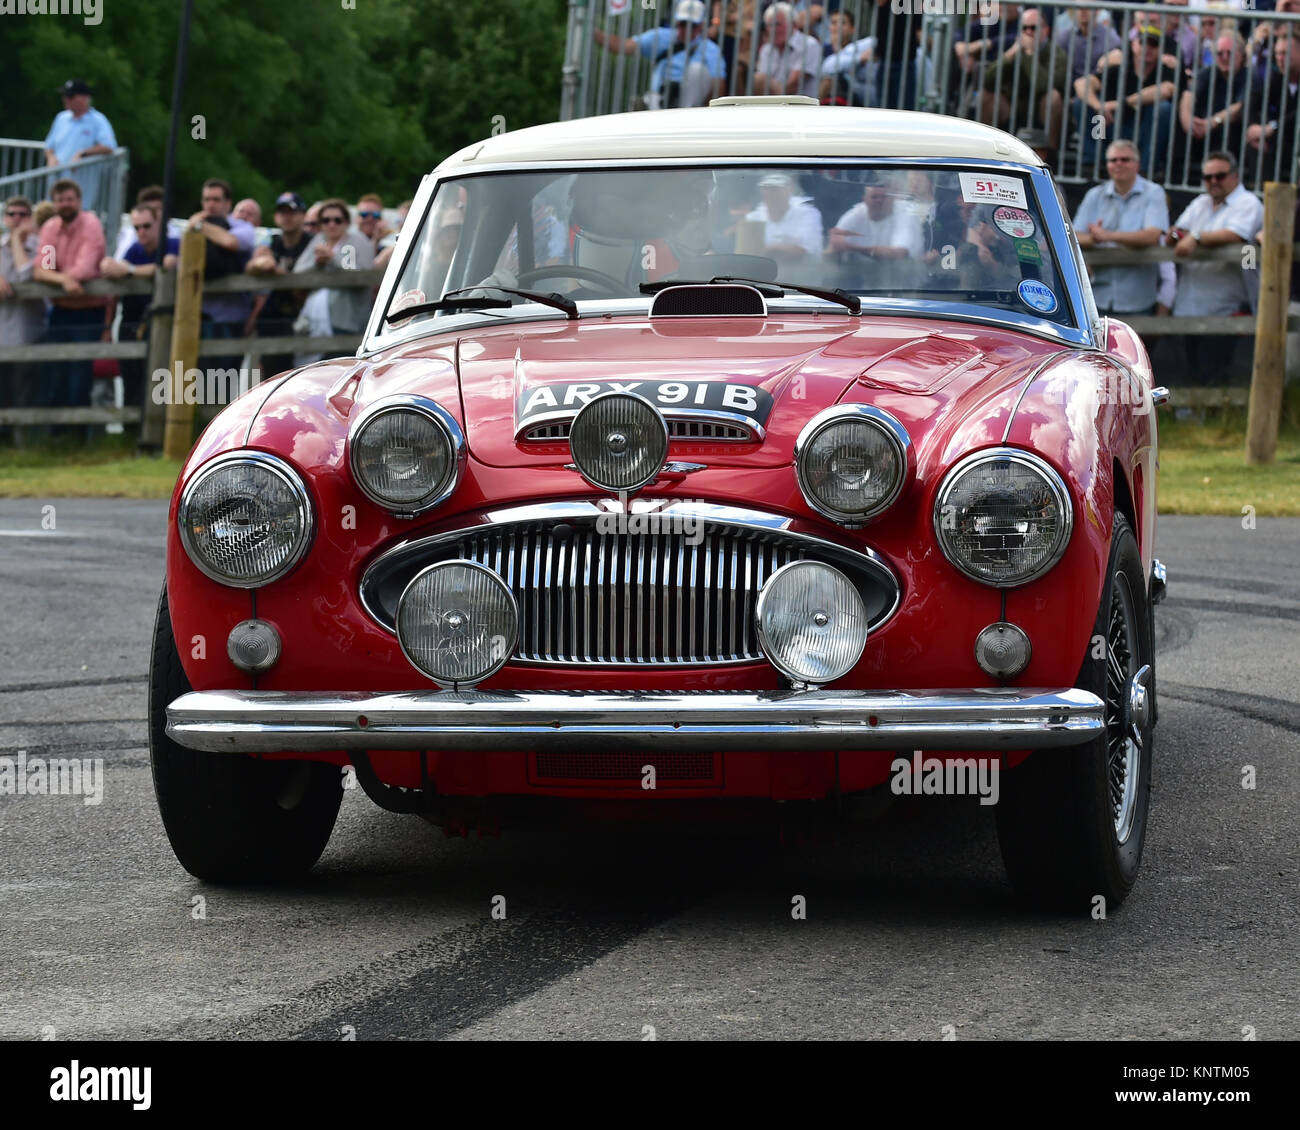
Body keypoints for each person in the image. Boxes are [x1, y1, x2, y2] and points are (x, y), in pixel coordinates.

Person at [1168, 151, 1263, 384]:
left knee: (1213, 372)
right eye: (1207, 177)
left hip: (1226, 306)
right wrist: (1175, 235)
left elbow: (1236, 234)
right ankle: (1196, 416)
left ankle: (1214, 417)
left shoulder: (1248, 203)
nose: (1213, 182)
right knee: (1192, 370)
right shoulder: (1201, 202)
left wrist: (1196, 237)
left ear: (1235, 176)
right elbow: (1177, 230)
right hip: (1190, 303)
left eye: (1219, 176)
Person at [32, 179, 108, 423]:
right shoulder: (51, 228)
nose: (65, 204)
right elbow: (42, 268)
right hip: (61, 310)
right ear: (54, 203)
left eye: (69, 199)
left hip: (89, 310)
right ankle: (56, 434)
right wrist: (64, 280)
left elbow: (86, 267)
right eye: (60, 200)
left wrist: (58, 278)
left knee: (79, 373)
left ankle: (78, 434)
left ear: (79, 201)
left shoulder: (90, 224)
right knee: (54, 370)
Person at [1072, 139, 1170, 317]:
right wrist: (1094, 239)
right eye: (1113, 160)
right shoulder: (1094, 194)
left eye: (1125, 159)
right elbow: (1074, 235)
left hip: (1137, 298)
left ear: (1137, 164)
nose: (1118, 164)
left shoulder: (1154, 192)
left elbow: (1152, 236)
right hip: (1096, 297)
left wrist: (1107, 236)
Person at [99, 203, 179, 415]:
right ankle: (129, 429)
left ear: (158, 225)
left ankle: (152, 430)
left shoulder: (172, 244)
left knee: (157, 379)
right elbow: (115, 272)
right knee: (131, 377)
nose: (141, 232)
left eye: (146, 226)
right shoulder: (134, 249)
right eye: (137, 227)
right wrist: (111, 267)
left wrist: (129, 270)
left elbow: (167, 265)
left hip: (161, 325)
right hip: (132, 323)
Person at [1076, 27, 1179, 173]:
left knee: (1163, 109)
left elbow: (1166, 90)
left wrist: (1121, 104)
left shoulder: (1165, 70)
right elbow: (1081, 83)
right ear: (1133, 45)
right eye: (1143, 43)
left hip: (1144, 133)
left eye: (1153, 45)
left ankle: (1145, 169)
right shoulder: (1119, 69)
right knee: (1083, 104)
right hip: (1108, 128)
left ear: (1160, 49)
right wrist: (1098, 105)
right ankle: (1093, 163)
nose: (1147, 49)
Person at [594, 0, 726, 109]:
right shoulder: (661, 37)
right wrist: (593, 31)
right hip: (660, 99)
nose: (686, 29)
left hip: (692, 106)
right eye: (682, 24)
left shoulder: (711, 50)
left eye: (692, 25)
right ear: (676, 21)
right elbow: (624, 46)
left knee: (697, 70)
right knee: (650, 99)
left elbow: (719, 88)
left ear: (702, 26)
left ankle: (685, 115)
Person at [292, 198, 375, 365]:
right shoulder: (318, 241)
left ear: (346, 222)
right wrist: (317, 263)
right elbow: (297, 273)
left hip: (346, 325)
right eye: (326, 220)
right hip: (312, 325)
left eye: (337, 220)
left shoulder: (357, 242)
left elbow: (362, 277)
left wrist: (333, 259)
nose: (332, 224)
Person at [246, 192, 313, 376]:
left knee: (304, 377)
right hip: (274, 319)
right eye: (282, 212)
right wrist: (260, 263)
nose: (287, 217)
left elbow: (307, 284)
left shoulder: (312, 244)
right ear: (276, 216)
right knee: (272, 377)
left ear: (302, 215)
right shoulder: (272, 243)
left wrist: (276, 272)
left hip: (305, 320)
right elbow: (254, 266)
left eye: (292, 212)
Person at [980, 10, 1069, 150]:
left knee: (1053, 98)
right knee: (986, 96)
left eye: (1033, 28)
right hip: (1013, 108)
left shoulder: (1056, 53)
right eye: (1024, 28)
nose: (1028, 32)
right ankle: (985, 151)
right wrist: (1009, 56)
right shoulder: (1014, 49)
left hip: (1041, 112)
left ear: (1045, 30)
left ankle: (1050, 159)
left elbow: (1043, 85)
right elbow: (987, 80)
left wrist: (1029, 54)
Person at [189, 178, 257, 346]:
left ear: (228, 203)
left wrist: (198, 226)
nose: (211, 204)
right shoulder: (192, 226)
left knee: (226, 372)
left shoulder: (243, 227)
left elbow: (230, 242)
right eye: (207, 199)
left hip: (231, 317)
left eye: (216, 199)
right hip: (198, 316)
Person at [0, 196, 45, 430]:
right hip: (2, 335)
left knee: (26, 395)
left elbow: (28, 276)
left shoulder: (46, 247)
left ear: (32, 218)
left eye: (23, 214)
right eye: (11, 214)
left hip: (32, 334)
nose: (17, 219)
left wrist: (18, 241)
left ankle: (28, 446)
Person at [1177, 32, 1247, 179]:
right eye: (1220, 53)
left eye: (1230, 53)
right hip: (1202, 128)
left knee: (1228, 131)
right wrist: (1187, 118)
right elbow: (1188, 95)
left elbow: (1240, 107)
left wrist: (1213, 122)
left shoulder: (1248, 76)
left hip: (1230, 130)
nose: (1225, 58)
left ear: (1241, 55)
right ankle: (1174, 176)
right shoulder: (1208, 72)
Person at [43, 79, 117, 213]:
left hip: (82, 190)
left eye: (70, 96)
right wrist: (51, 158)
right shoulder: (61, 118)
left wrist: (83, 154)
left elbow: (108, 146)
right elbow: (49, 146)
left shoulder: (98, 120)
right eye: (65, 96)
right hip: (56, 186)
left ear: (85, 98)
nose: (66, 99)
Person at [1244, 28, 1300, 186]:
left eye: (1285, 54)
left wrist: (1271, 128)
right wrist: (1254, 128)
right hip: (1281, 143)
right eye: (1277, 54)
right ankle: (1264, 198)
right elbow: (1252, 102)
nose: (1280, 59)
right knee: (1255, 144)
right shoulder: (1277, 79)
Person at [742, 173, 824, 267]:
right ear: (762, 191)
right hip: (759, 277)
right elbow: (747, 255)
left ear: (790, 189)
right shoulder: (753, 217)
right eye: (767, 188)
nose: (772, 193)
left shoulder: (808, 214)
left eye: (776, 189)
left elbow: (800, 251)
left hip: (801, 279)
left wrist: (766, 249)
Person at [754, 3, 822, 99]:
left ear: (793, 25)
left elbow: (792, 86)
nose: (773, 29)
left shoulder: (809, 45)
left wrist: (764, 81)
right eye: (769, 25)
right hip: (772, 106)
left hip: (801, 107)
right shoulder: (767, 49)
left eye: (777, 24)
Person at [819, 8, 876, 106]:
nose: (837, 26)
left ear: (853, 29)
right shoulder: (823, 49)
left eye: (843, 23)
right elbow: (827, 68)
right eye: (833, 22)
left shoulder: (859, 48)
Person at [1057, 5, 1121, 86]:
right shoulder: (1064, 36)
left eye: (1087, 7)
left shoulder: (1111, 38)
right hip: (1069, 89)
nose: (1083, 11)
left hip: (1099, 89)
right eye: (1079, 7)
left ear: (1097, 10)